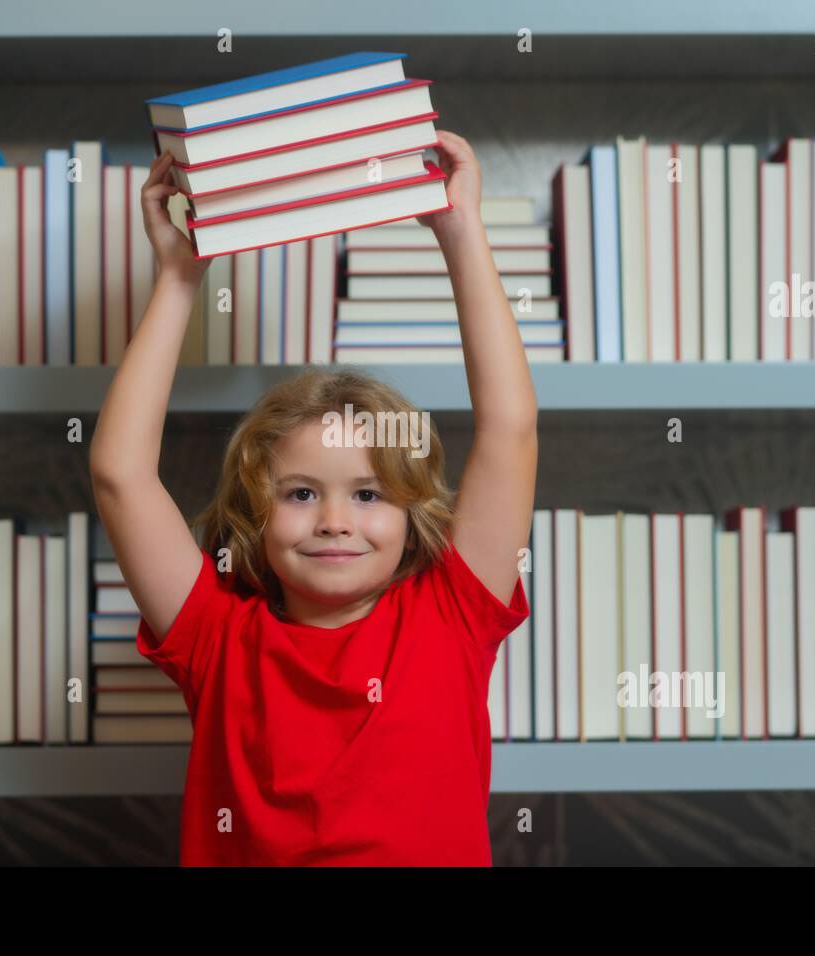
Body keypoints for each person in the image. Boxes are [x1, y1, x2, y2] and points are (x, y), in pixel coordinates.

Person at [90, 131, 538, 865]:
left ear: (413, 513)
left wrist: (460, 231)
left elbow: (510, 430)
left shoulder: (451, 613)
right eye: (301, 492)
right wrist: (178, 276)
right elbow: (120, 474)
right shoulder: (215, 638)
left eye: (368, 493)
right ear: (255, 512)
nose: (334, 521)